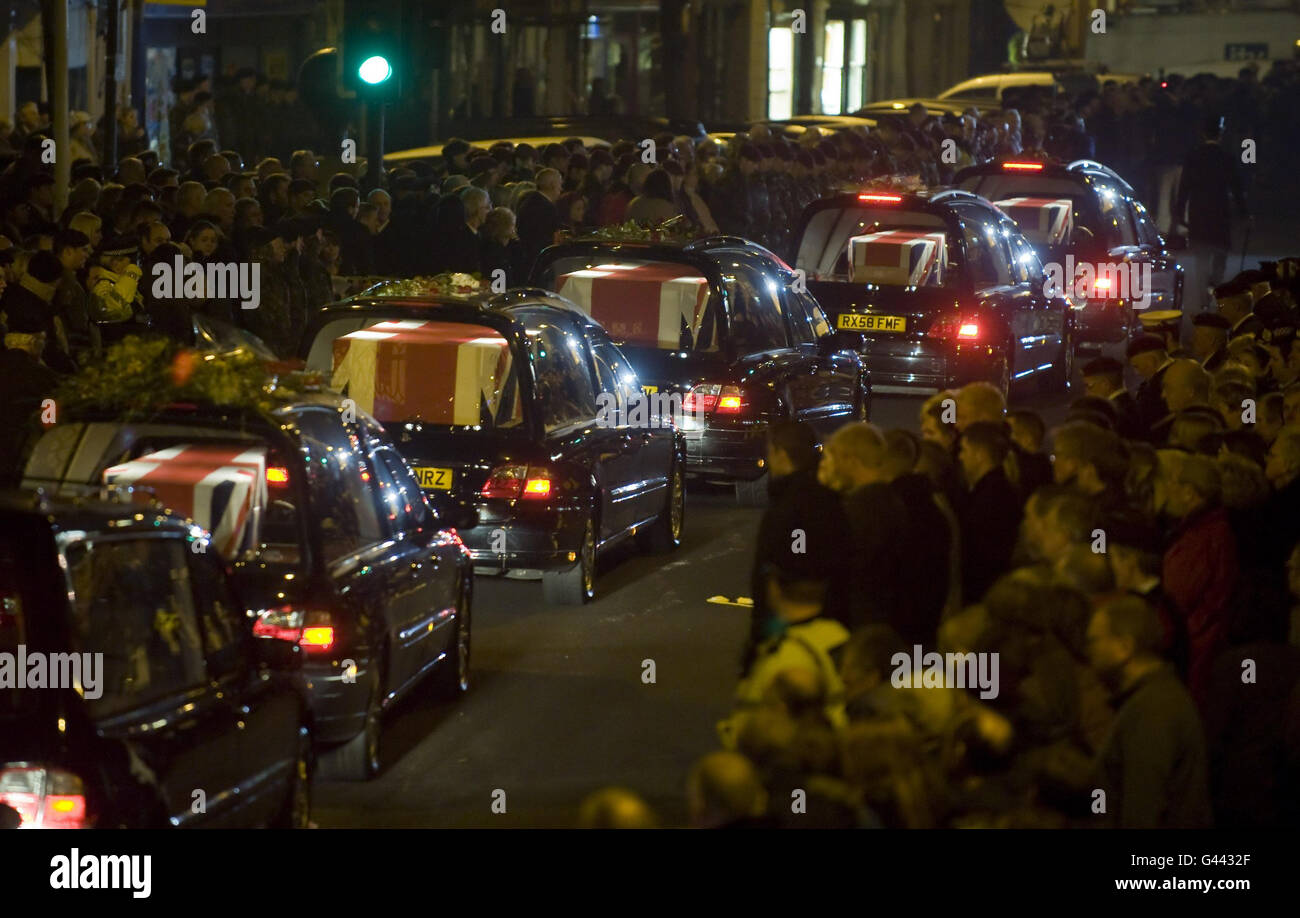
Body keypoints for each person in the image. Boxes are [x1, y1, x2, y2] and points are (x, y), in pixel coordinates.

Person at [1087, 595, 1213, 828]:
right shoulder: (1152, 699)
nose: (1088, 651)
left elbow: (1142, 811)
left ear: (1124, 647)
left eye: (1093, 641)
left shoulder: (1152, 710)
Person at [744, 421, 852, 668]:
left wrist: (760, 636)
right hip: (828, 624)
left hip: (792, 621)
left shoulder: (787, 506)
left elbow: (772, 565)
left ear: (781, 454)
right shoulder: (831, 501)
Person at [1154, 450, 1238, 705]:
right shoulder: (1209, 529)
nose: (1167, 489)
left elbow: (1175, 598)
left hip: (1194, 646)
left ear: (1189, 492)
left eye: (1172, 482)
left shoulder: (1200, 539)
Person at [817, 422, 908, 628]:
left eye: (831, 458)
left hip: (857, 625)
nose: (825, 465)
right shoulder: (889, 501)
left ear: (851, 461)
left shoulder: (860, 510)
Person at [1174, 115, 1247, 313]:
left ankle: (1202, 297)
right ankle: (1214, 286)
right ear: (1221, 133)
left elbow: (1184, 187)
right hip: (1220, 212)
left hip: (1199, 211)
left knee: (1201, 257)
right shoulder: (1227, 157)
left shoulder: (1193, 156)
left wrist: (1180, 212)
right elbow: (1237, 187)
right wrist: (1244, 212)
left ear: (1202, 132)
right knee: (1220, 253)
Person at [956, 421, 1022, 603]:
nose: (960, 457)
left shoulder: (990, 496)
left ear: (980, 455)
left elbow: (980, 552)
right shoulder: (1000, 488)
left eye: (964, 450)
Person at [1080, 355, 1143, 440]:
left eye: (1089, 386)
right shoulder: (1132, 404)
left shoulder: (1111, 415)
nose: (1086, 392)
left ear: (1105, 384)